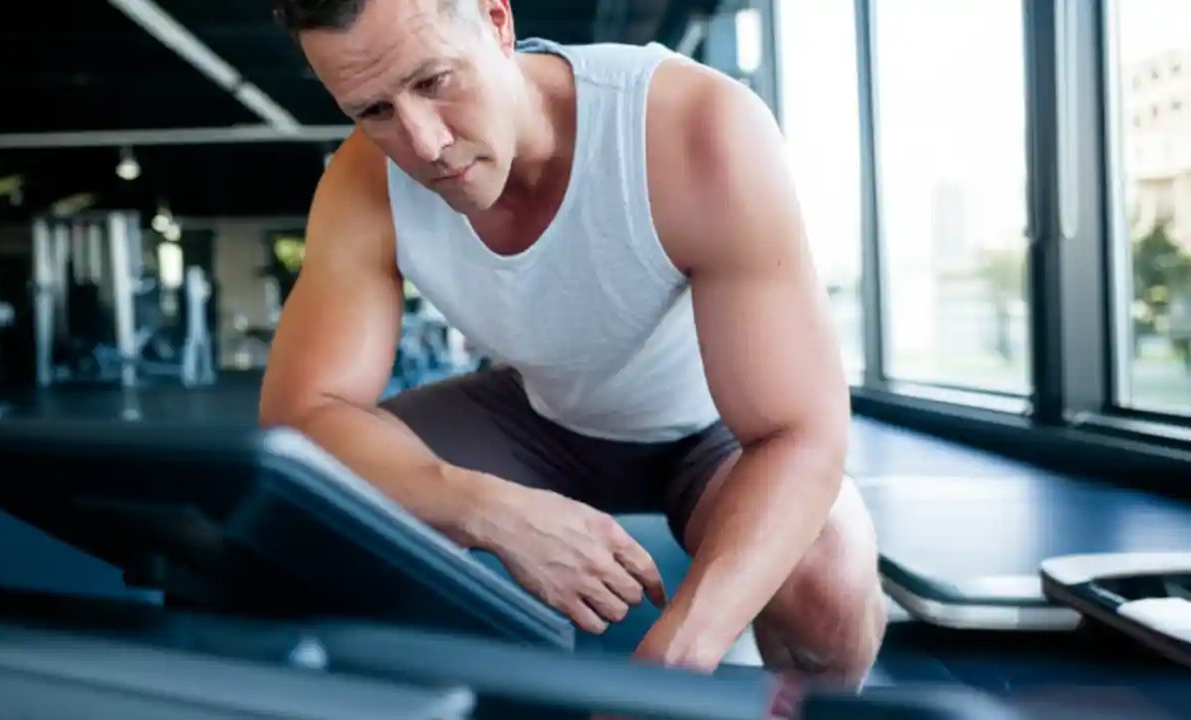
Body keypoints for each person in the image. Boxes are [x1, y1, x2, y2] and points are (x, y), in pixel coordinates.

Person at [259, 0, 886, 691]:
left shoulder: (691, 125)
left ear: (498, 21)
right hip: (540, 416)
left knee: (826, 585)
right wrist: (481, 507)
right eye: (372, 111)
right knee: (308, 510)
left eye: (434, 81)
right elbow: (306, 415)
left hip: (718, 430)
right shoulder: (362, 184)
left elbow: (800, 433)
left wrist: (674, 664)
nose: (424, 143)